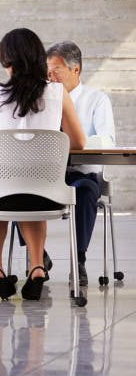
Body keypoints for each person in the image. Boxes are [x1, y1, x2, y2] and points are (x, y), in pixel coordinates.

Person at [0, 28, 85, 301]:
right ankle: (36, 266)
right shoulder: (59, 93)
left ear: (6, 62)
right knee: (30, 186)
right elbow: (79, 142)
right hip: (48, 195)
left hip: (0, 196)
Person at [45, 41, 115, 286]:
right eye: (47, 70)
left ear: (76, 70)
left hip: (81, 173)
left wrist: (79, 142)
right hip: (46, 174)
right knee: (17, 186)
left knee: (84, 191)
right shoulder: (41, 98)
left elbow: (108, 140)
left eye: (56, 69)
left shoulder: (96, 100)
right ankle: (38, 256)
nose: (49, 75)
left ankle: (79, 260)